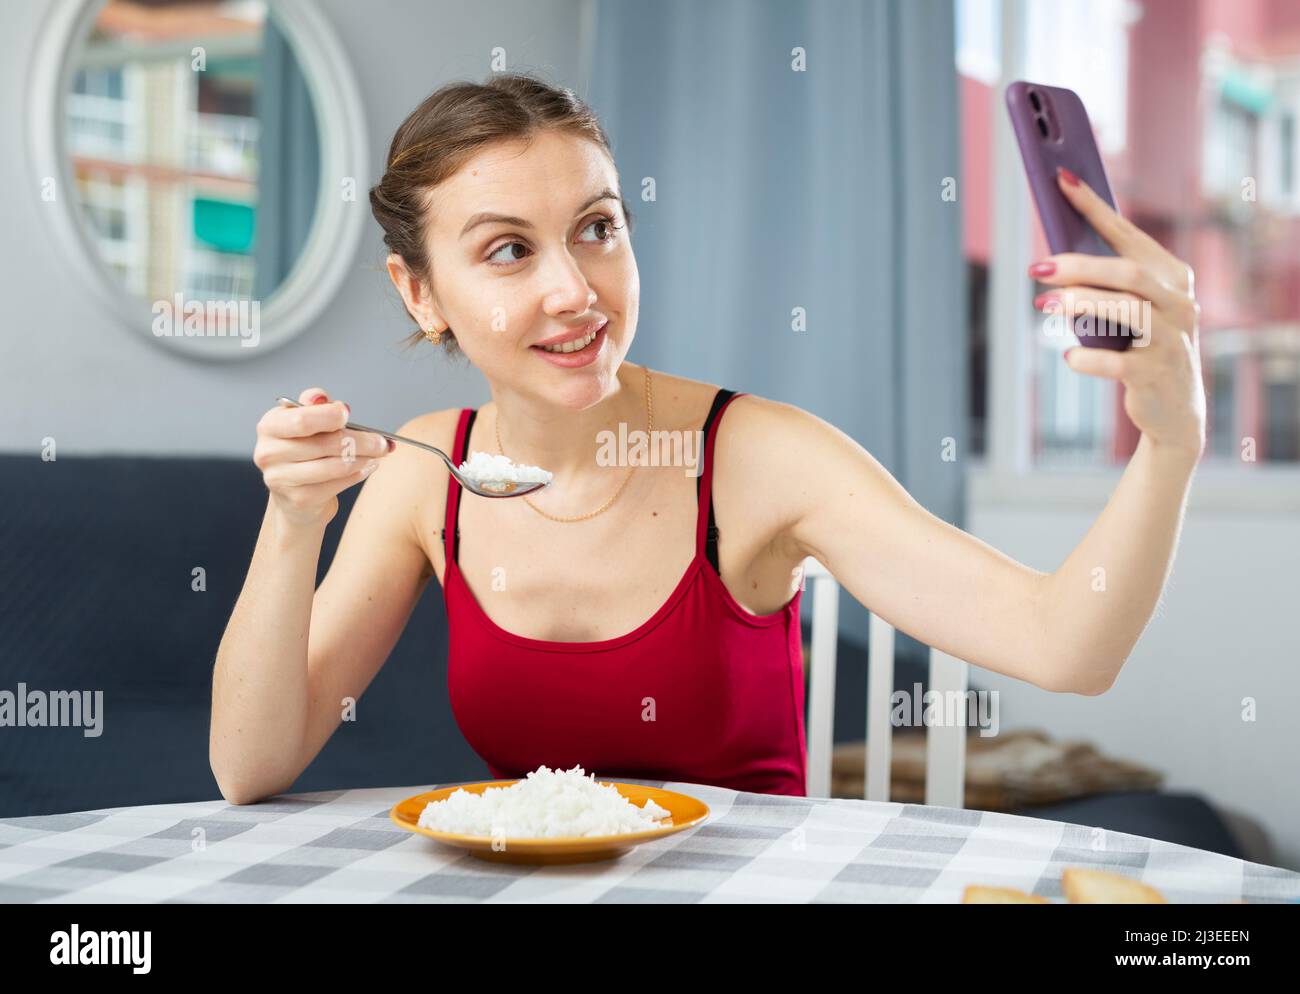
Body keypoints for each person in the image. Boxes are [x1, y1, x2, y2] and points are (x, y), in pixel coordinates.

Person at [210, 73, 1206, 804]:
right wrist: (293, 520)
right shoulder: (424, 476)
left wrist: (1170, 439)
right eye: (508, 250)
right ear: (420, 292)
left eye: (597, 228)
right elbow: (251, 764)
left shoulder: (761, 457)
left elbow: (1063, 644)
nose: (574, 290)